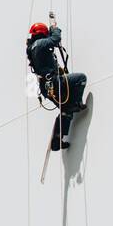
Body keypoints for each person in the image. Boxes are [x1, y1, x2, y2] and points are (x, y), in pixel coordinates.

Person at [26, 19, 87, 151]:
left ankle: (57, 139)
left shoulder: (34, 48)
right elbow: (55, 39)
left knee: (66, 109)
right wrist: (54, 28)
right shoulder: (40, 43)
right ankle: (77, 103)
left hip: (47, 87)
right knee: (81, 78)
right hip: (54, 83)